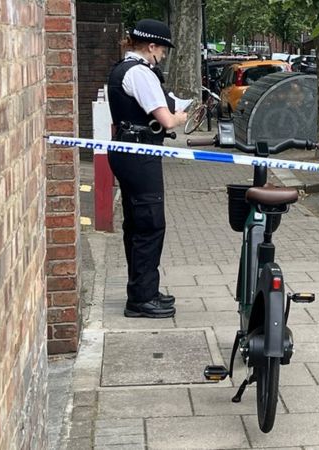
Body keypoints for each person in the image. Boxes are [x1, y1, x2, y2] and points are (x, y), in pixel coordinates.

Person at [107, 19, 187, 318]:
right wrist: (180, 116)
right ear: (151, 46)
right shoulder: (140, 73)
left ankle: (144, 290)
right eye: (163, 50)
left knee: (137, 223)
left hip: (127, 151)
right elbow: (165, 120)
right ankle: (141, 299)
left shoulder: (120, 69)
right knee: (150, 223)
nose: (163, 56)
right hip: (140, 154)